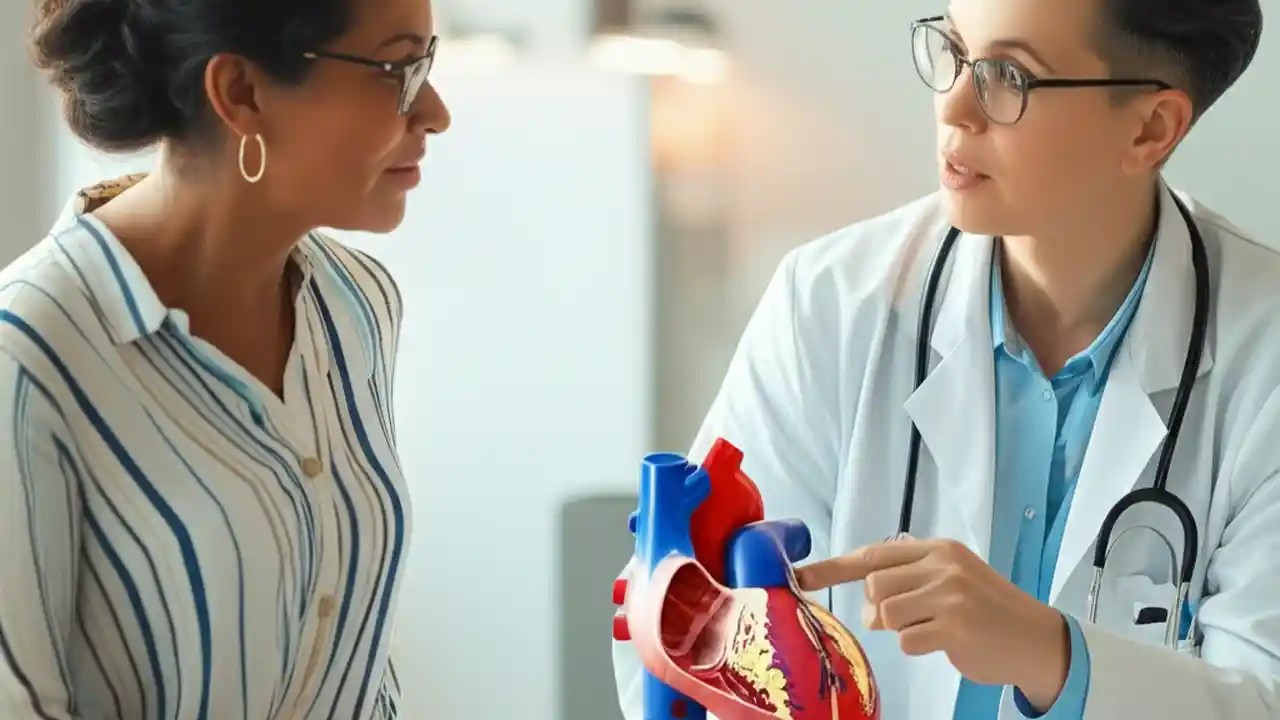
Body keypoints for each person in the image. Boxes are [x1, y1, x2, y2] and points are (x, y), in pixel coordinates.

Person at [613, 0, 1276, 718]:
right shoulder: (833, 304)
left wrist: (1049, 654)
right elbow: (673, 640)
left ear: (1150, 128)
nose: (955, 106)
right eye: (955, 52)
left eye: (1009, 75)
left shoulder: (1263, 350)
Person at [1, 0, 449, 716]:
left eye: (426, 66)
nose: (434, 110)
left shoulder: (358, 303)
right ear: (240, 92)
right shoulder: (27, 356)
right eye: (397, 69)